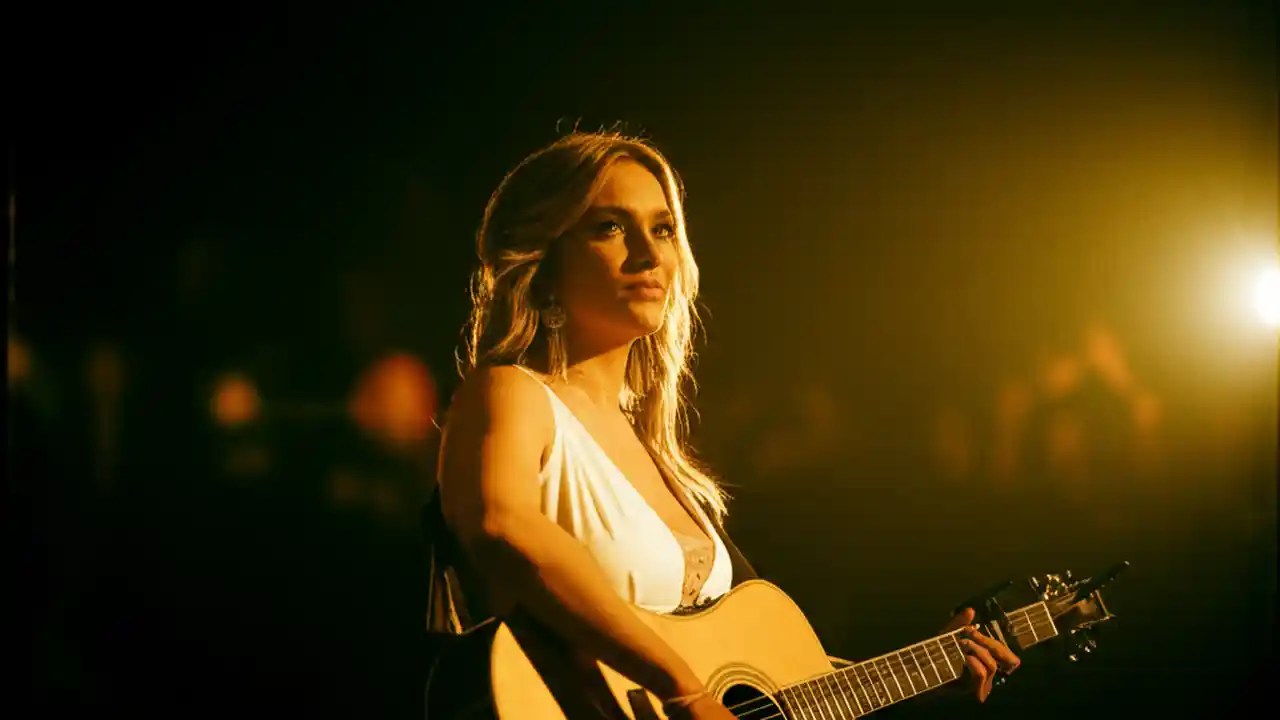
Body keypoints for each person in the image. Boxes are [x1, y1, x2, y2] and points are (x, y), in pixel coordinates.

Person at [429, 130, 1020, 719]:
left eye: (662, 229)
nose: (649, 253)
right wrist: (681, 688)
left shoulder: (652, 449)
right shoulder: (510, 393)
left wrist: (926, 669)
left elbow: (762, 690)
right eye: (609, 226)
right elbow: (499, 523)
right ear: (545, 258)